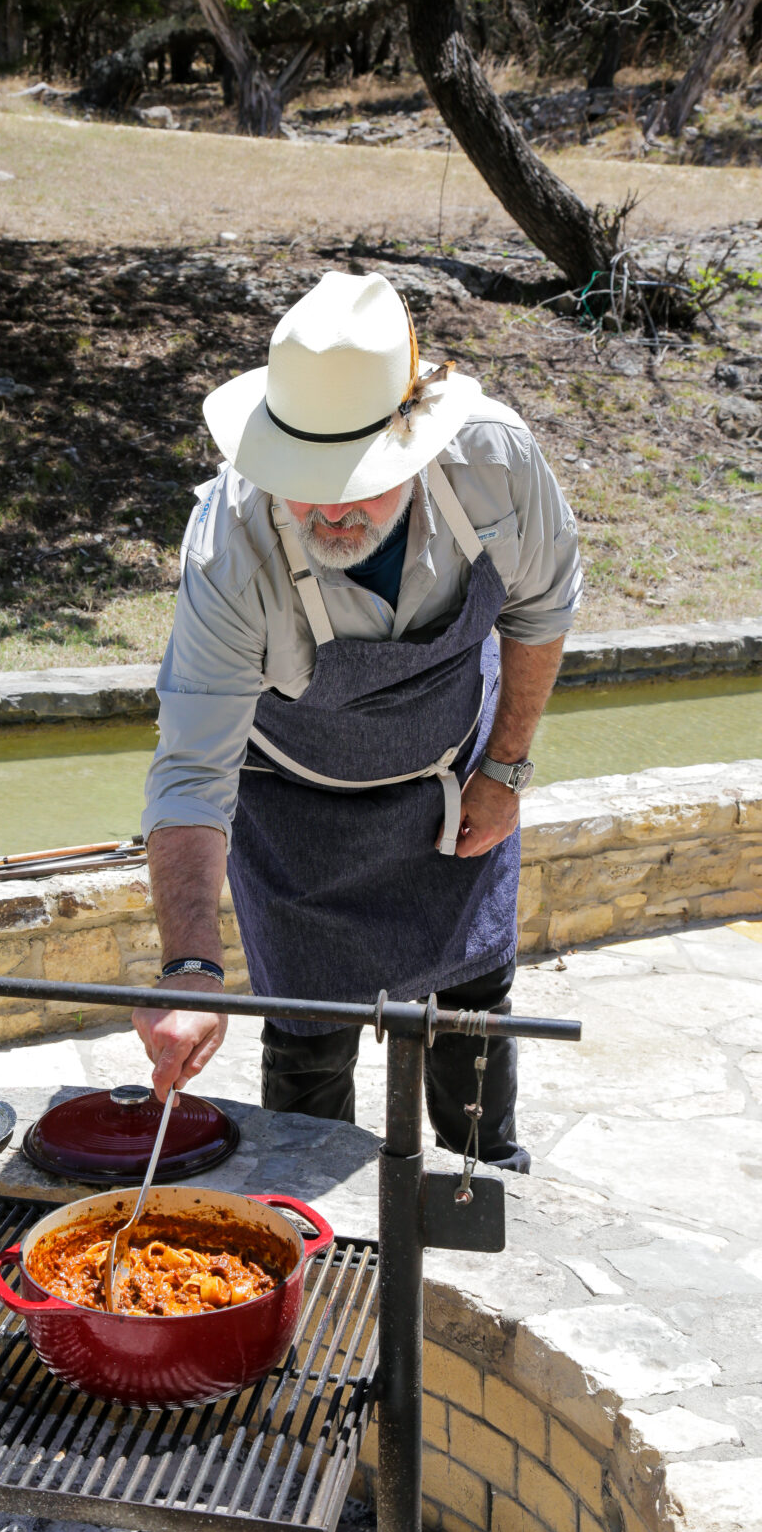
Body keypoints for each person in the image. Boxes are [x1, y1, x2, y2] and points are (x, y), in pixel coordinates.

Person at [131, 270, 582, 1172]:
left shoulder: (494, 464)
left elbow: (542, 610)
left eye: (361, 481)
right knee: (307, 1038)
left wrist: (506, 771)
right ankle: (311, 1224)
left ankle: (485, 1184)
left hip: (455, 780)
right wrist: (190, 972)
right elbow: (192, 770)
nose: (332, 509)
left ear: (418, 446)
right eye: (309, 483)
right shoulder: (232, 543)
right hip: (296, 809)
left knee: (473, 1007)